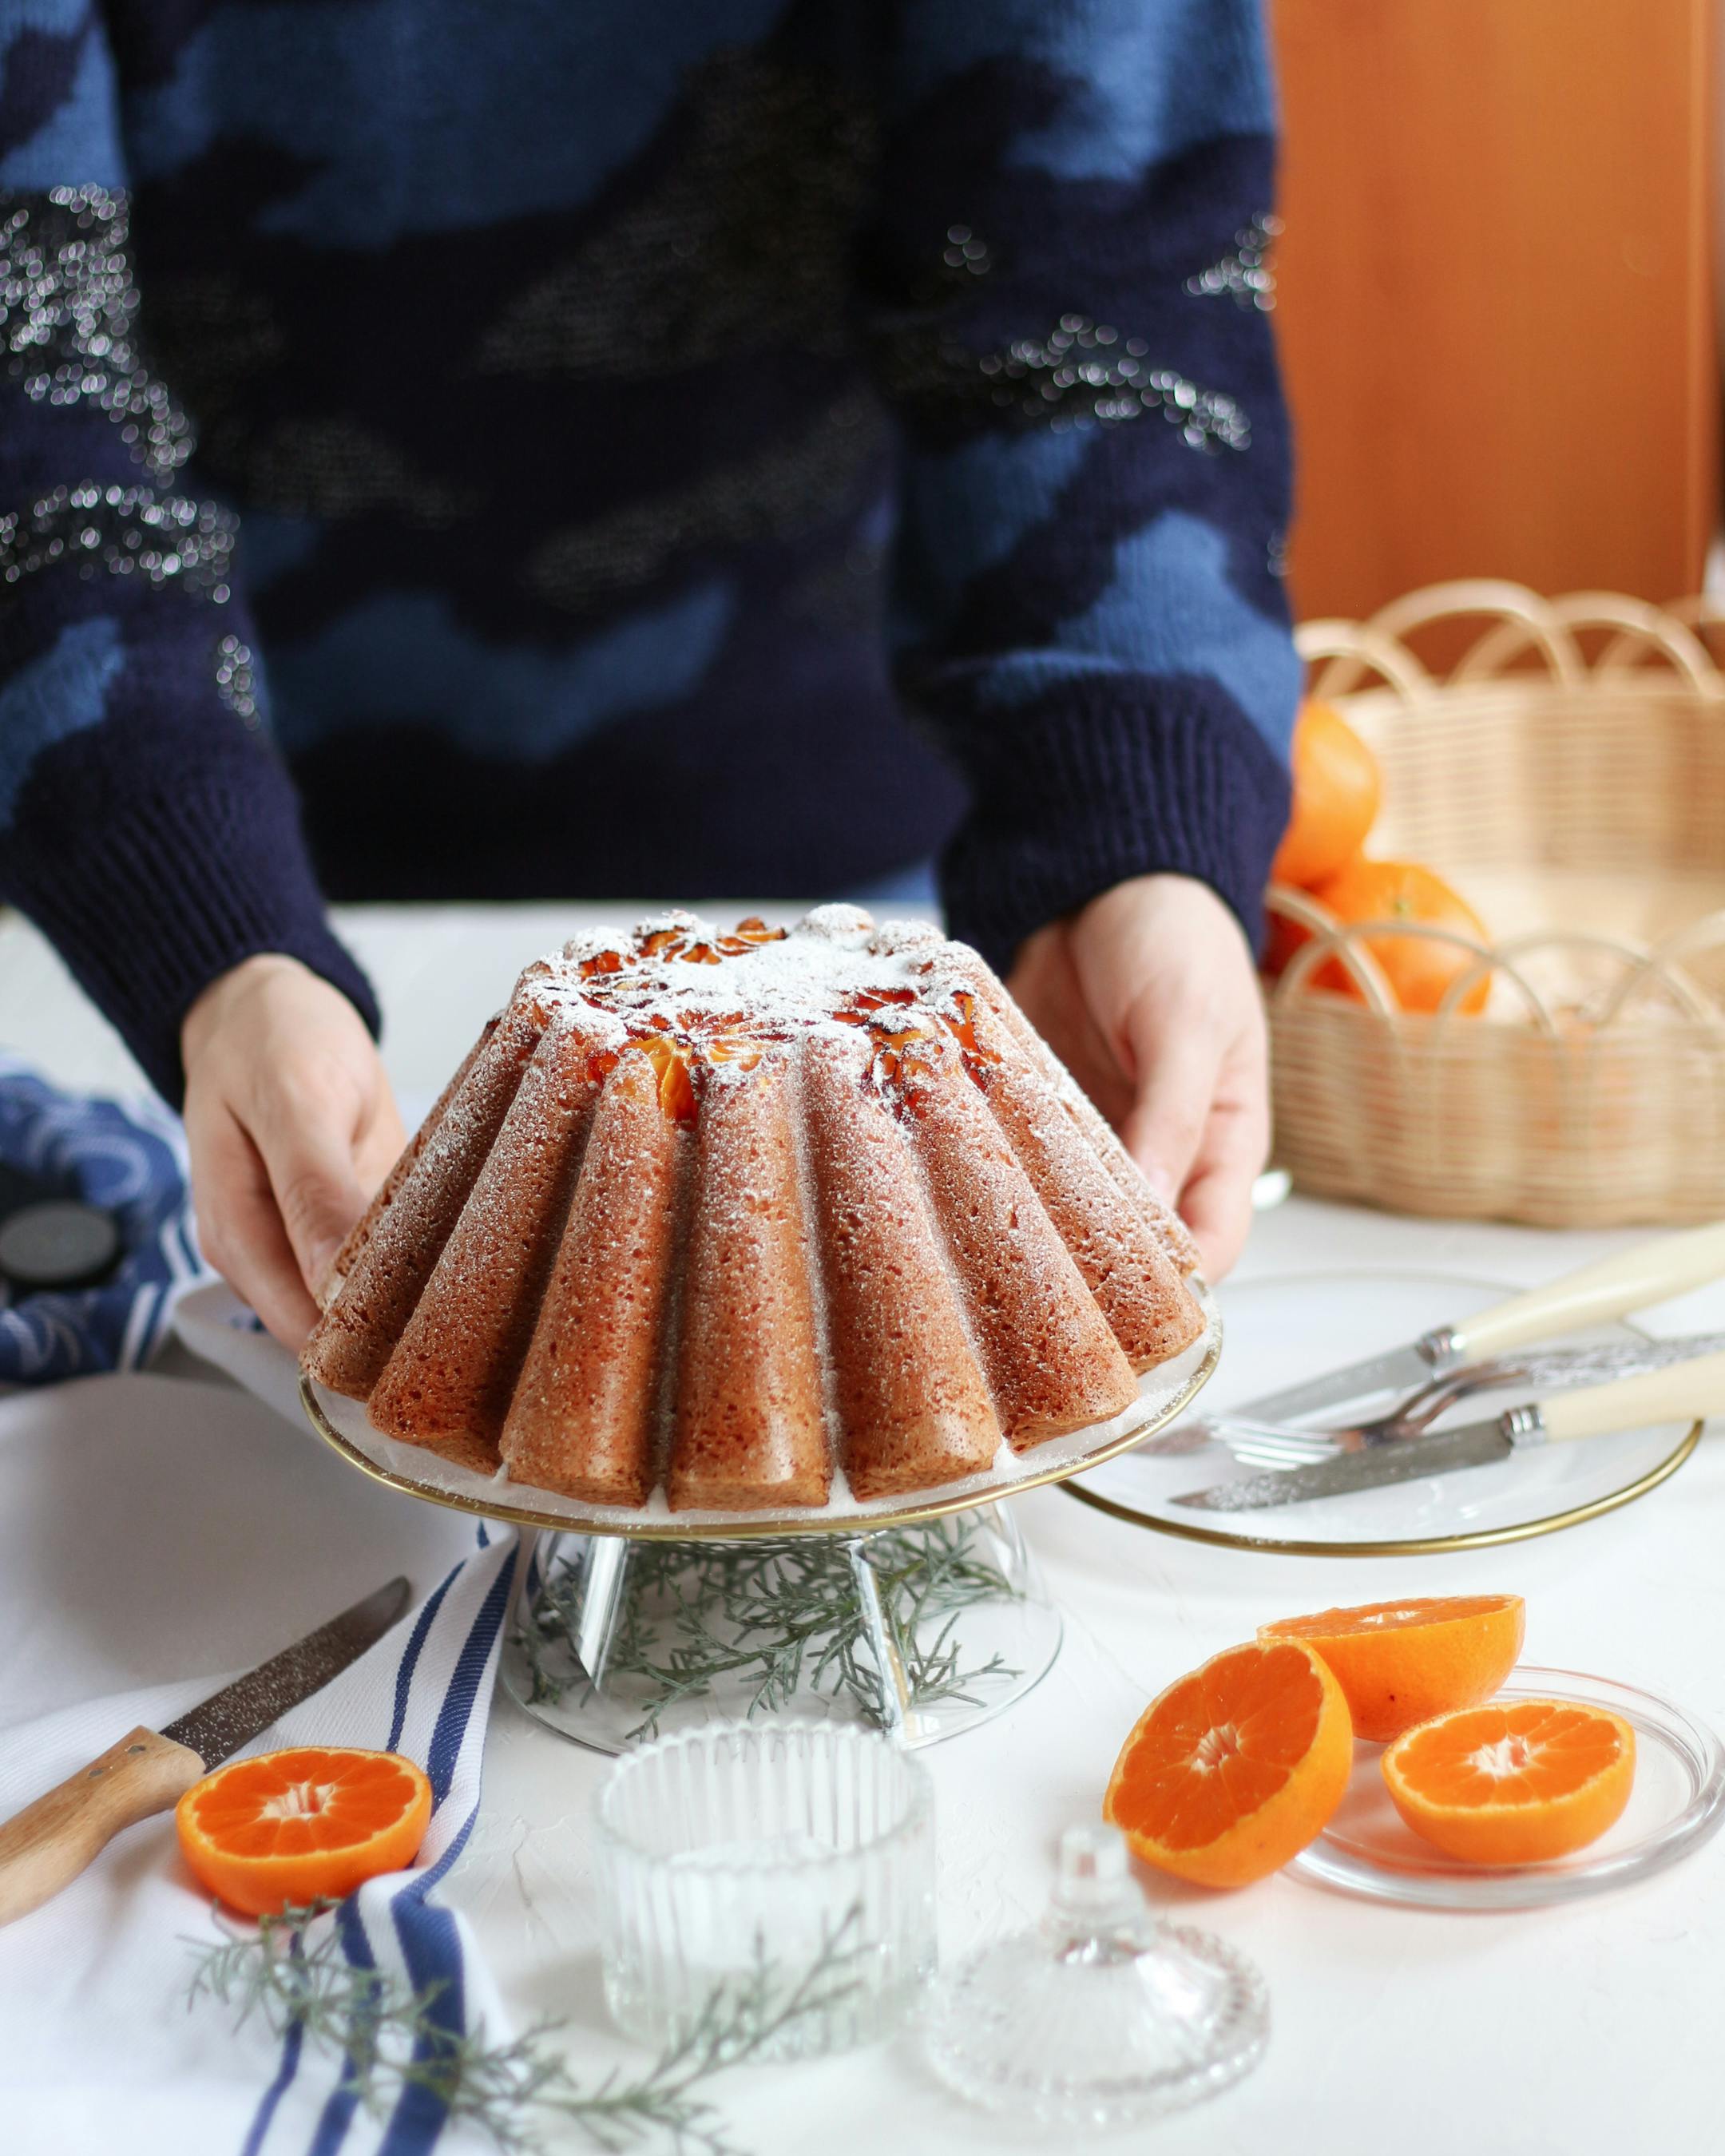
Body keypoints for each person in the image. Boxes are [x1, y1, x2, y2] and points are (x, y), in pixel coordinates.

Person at [0, 1, 1299, 1349]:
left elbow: (1104, 282)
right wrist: (207, 934)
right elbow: (24, 363)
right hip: (189, 918)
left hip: (845, 895)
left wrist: (1128, 833)